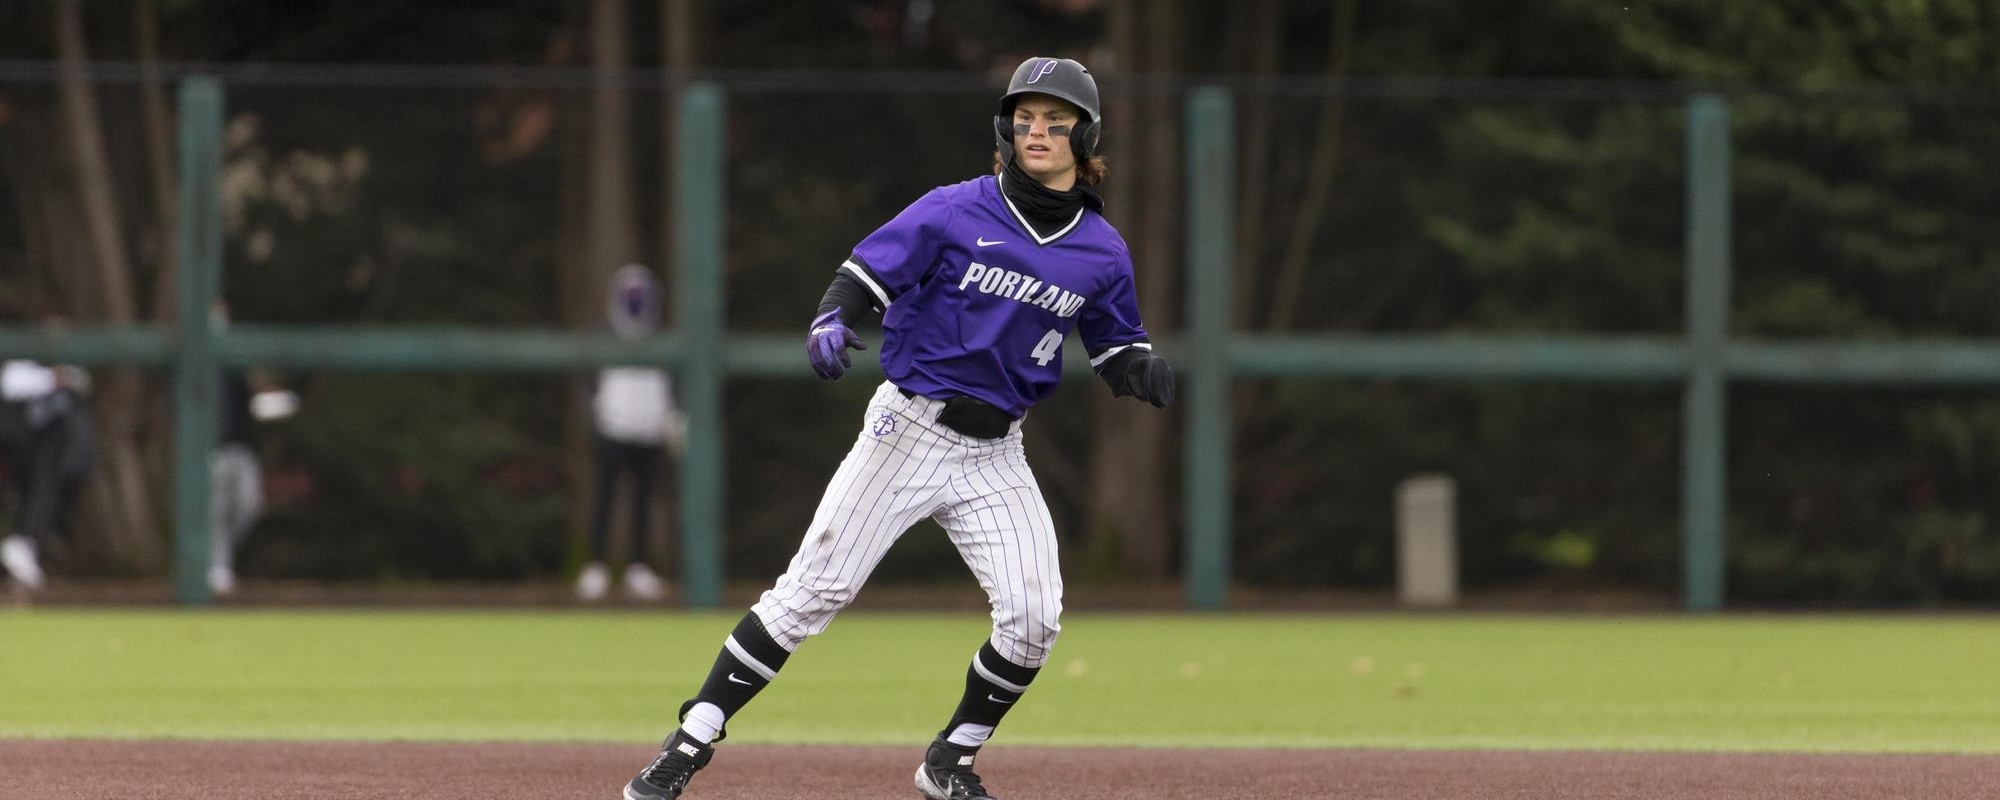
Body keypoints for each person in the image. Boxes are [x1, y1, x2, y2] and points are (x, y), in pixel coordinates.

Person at [622, 56, 1174, 800]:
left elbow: (1115, 344)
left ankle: (950, 761)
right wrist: (830, 318)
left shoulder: (1101, 249)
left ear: (1087, 135)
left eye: (1055, 120)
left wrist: (1139, 367)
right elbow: (863, 273)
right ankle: (689, 741)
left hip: (997, 452)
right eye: (1024, 119)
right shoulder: (955, 209)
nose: (1037, 132)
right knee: (811, 591)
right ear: (1005, 131)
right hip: (909, 429)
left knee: (1035, 619)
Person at [579, 265, 685, 602]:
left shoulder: (660, 339)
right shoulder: (604, 335)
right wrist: (595, 414)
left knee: (644, 500)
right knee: (606, 497)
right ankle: (596, 566)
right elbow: (590, 382)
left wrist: (673, 420)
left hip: (649, 431)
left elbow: (671, 385)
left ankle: (638, 567)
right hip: (612, 429)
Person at [0, 354, 95, 591]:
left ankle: (26, 541)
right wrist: (53, 378)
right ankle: (25, 541)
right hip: (15, 442)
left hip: (44, 455)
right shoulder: (23, 359)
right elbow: (9, 382)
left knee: (50, 478)